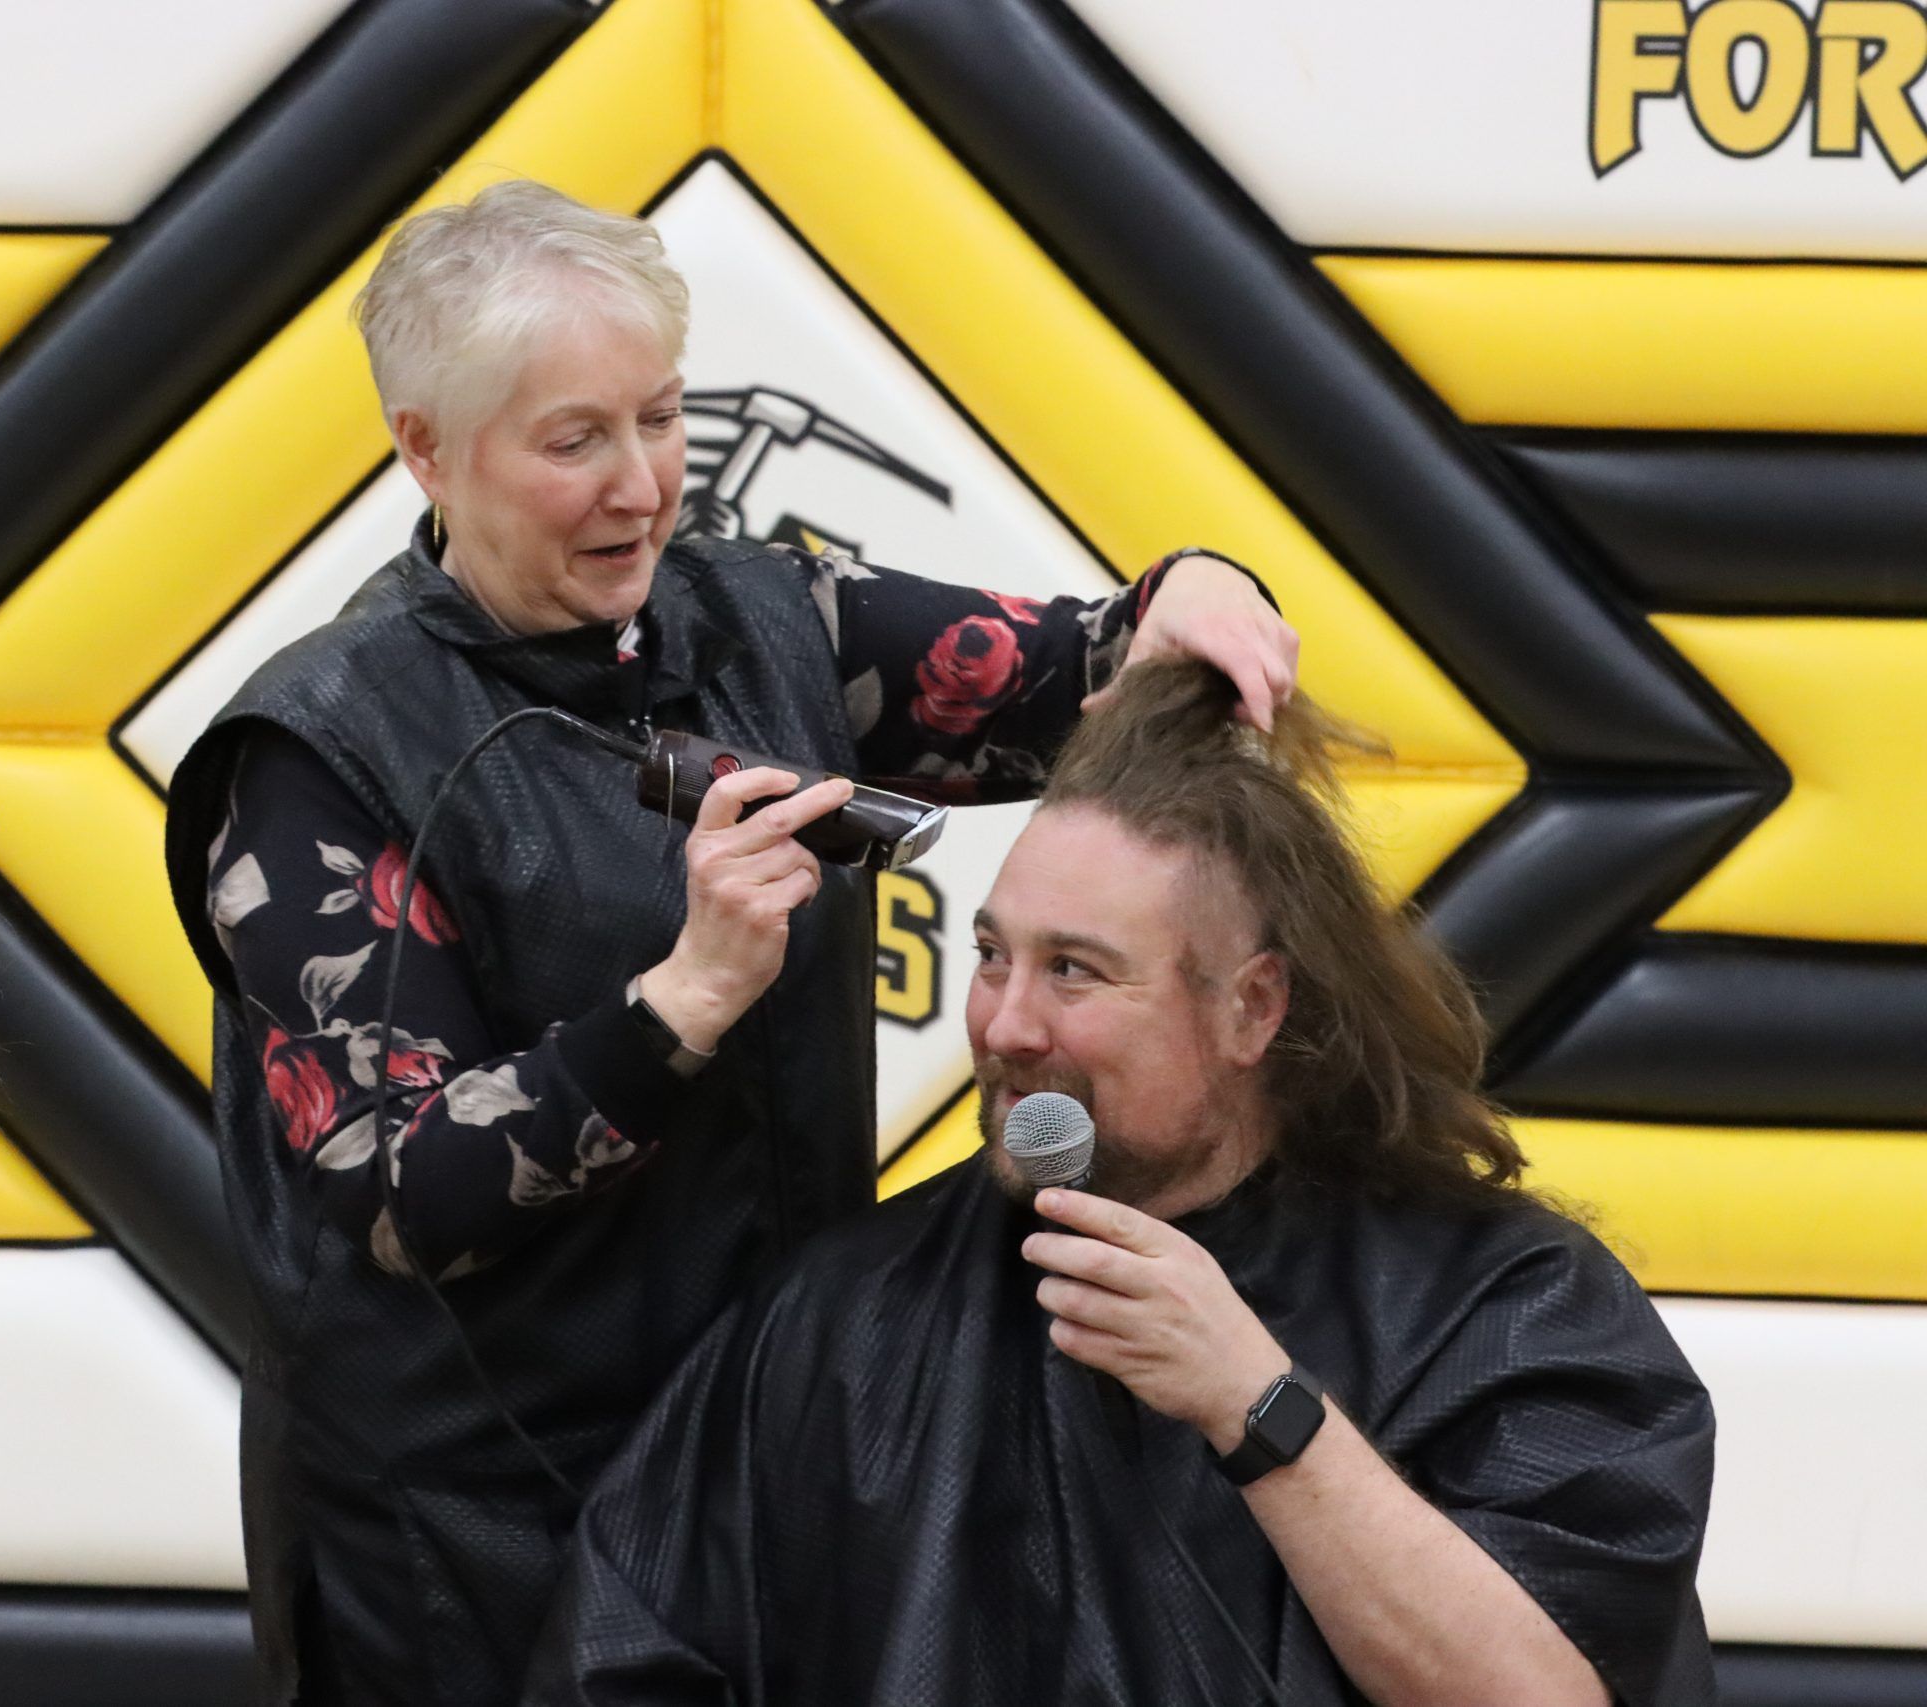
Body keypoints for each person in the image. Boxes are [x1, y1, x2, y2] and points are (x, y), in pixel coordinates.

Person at [161, 179, 1301, 1707]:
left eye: (662, 416)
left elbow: (1093, 660)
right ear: (424, 446)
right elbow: (400, 1187)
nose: (641, 485)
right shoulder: (314, 754)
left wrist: (1206, 588)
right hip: (474, 1528)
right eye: (574, 440)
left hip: (768, 1454)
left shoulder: (768, 615)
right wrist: (682, 999)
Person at [528, 661, 1716, 1707]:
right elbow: (627, 1651)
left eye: (1077, 974)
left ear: (1252, 1006)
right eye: (993, 956)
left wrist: (1257, 1405)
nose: (1008, 1023)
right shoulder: (845, 1315)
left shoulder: (1498, 1306)